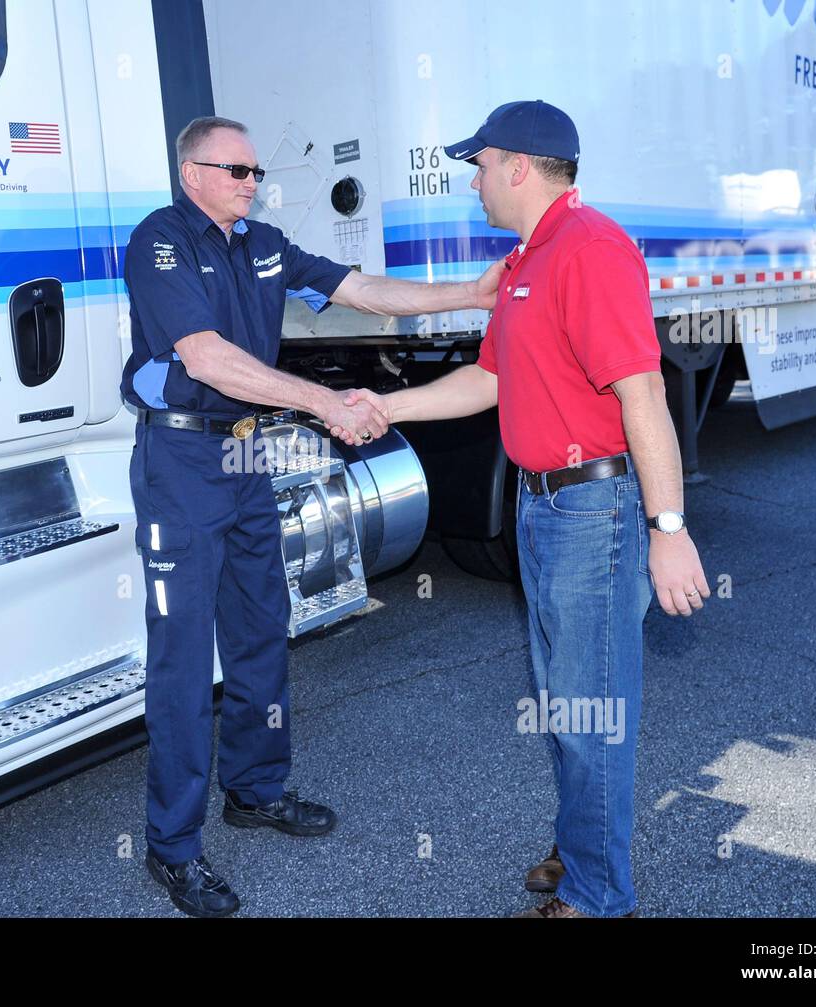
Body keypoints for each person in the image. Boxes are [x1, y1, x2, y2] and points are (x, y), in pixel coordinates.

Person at [121, 115, 504, 917]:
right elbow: (208, 358)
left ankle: (256, 789)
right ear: (192, 172)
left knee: (263, 629)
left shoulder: (262, 242)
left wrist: (468, 294)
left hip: (246, 457)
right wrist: (325, 401)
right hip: (184, 462)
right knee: (185, 661)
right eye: (235, 170)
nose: (251, 182)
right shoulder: (163, 241)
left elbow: (360, 289)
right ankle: (174, 847)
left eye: (256, 170)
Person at [346, 100, 710, 918]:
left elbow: (643, 394)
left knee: (592, 711)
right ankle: (582, 846)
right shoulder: (522, 263)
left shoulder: (591, 250)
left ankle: (595, 896)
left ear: (519, 166)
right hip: (542, 510)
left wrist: (670, 530)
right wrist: (387, 407)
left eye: (479, 165)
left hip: (598, 512)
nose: (472, 181)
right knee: (566, 701)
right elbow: (492, 381)